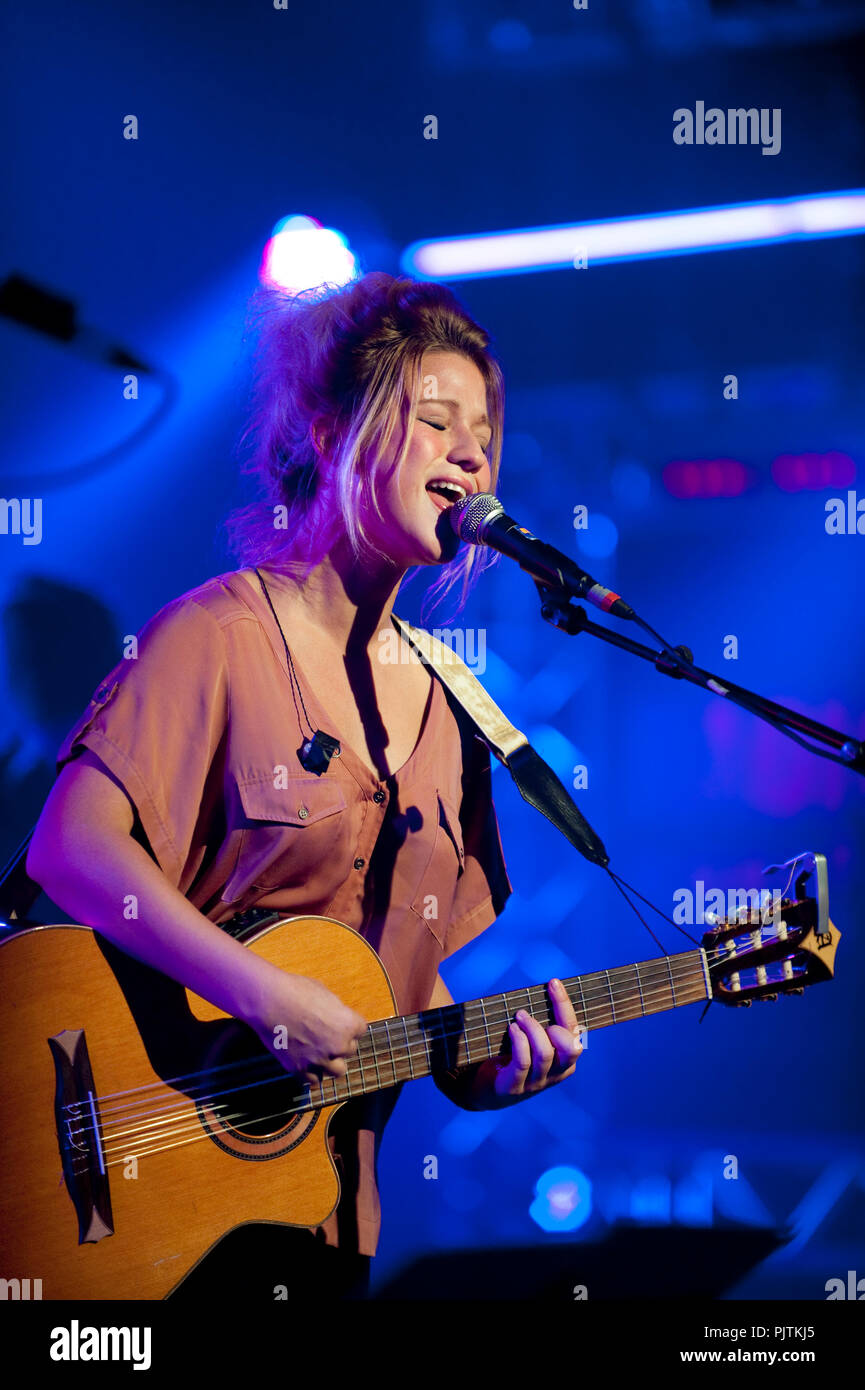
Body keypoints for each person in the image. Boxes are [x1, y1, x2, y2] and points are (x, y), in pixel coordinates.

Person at [25, 272, 584, 1302]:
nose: (473, 451)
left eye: (484, 431)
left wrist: (488, 1068)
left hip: (327, 1231)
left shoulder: (456, 714)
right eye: (435, 420)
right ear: (331, 437)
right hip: (154, 1214)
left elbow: (393, 986)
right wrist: (255, 991)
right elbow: (69, 848)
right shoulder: (222, 635)